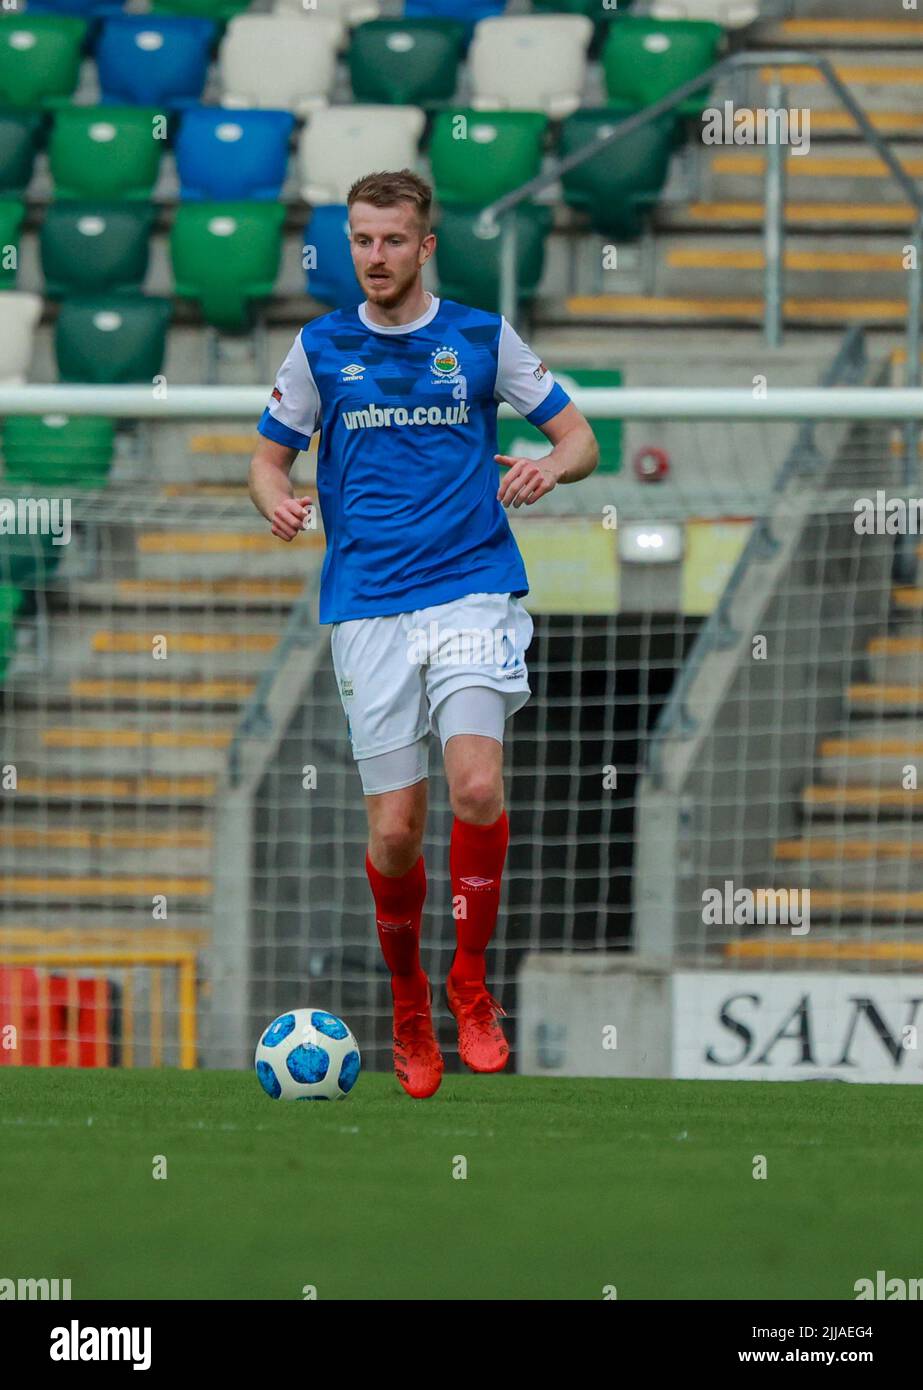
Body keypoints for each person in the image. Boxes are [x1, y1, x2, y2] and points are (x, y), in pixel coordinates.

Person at [249, 169, 599, 1098]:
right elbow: (265, 458)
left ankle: (469, 982)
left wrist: (546, 469)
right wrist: (275, 498)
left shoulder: (480, 337)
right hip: (366, 605)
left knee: (476, 783)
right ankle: (408, 1001)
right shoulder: (320, 348)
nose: (375, 256)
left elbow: (581, 441)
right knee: (397, 833)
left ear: (424, 245)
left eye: (392, 240)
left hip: (471, 589)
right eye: (361, 240)